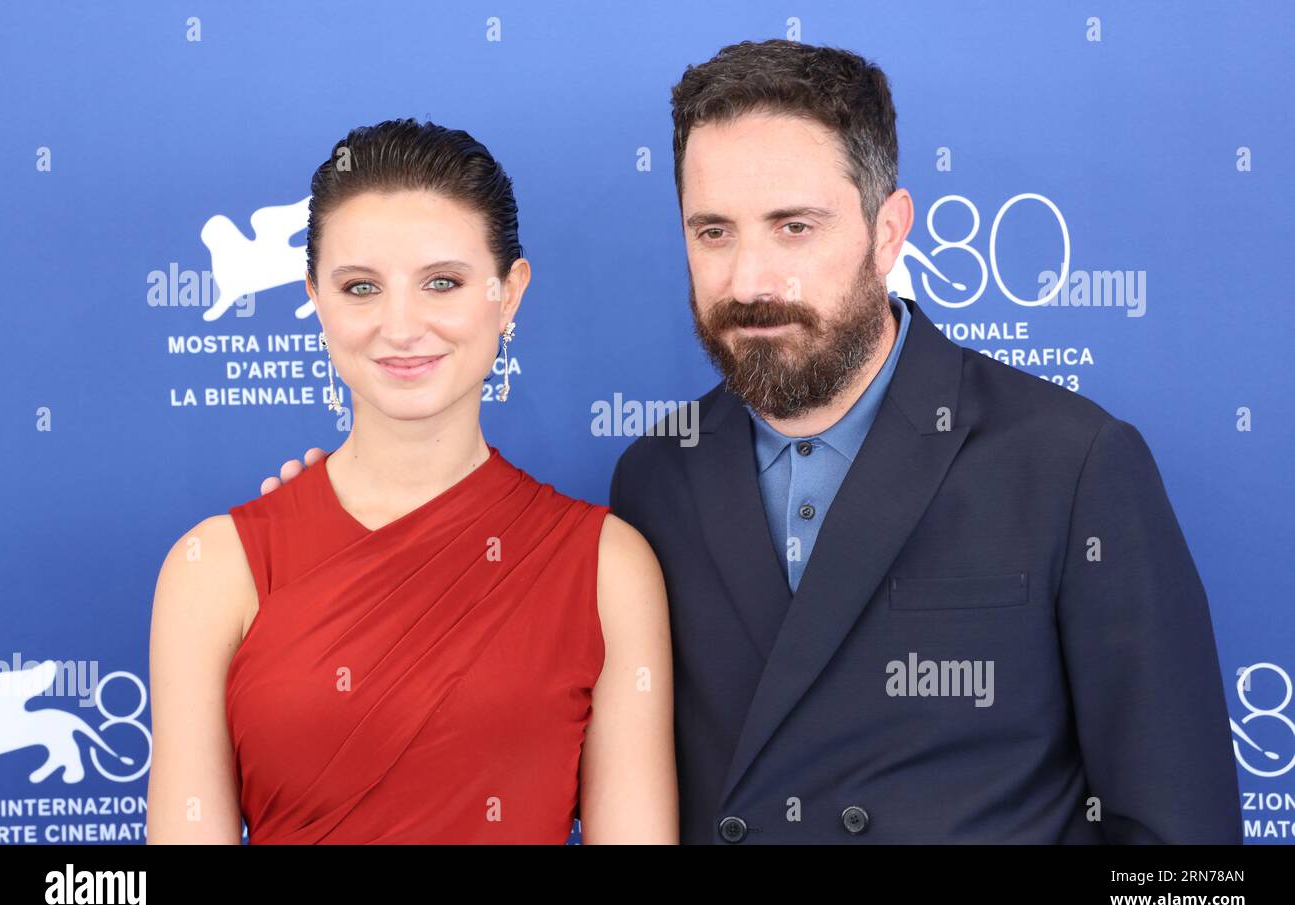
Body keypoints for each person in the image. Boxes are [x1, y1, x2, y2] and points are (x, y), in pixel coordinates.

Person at [259, 41, 1243, 845]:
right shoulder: (655, 476)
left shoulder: (1067, 463)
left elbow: (1181, 849)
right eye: (713, 230)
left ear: (889, 228)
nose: (749, 276)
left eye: (793, 226)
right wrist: (358, 532)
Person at [146, 118, 677, 844]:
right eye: (361, 286)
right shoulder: (212, 569)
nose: (400, 326)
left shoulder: (608, 567)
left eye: (442, 283)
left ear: (509, 294)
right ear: (316, 300)